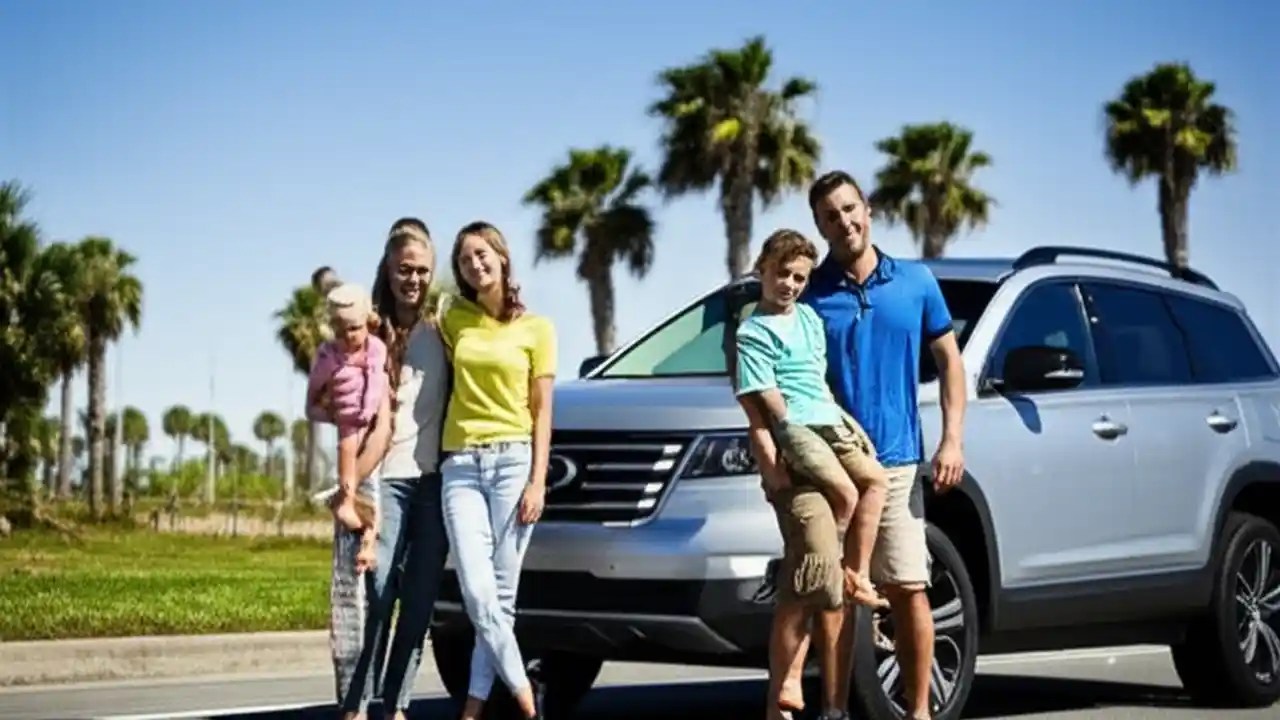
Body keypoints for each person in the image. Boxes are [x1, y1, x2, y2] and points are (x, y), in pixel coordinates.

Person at [783, 170, 968, 720]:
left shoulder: (915, 283)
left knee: (909, 587)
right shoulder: (810, 294)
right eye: (829, 217)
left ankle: (919, 712)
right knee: (833, 595)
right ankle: (834, 709)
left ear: (868, 209)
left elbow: (950, 362)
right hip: (830, 469)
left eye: (848, 209)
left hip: (897, 464)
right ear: (820, 228)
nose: (843, 222)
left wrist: (952, 440)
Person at [316, 218, 452, 720]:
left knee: (417, 605)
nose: (411, 279)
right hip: (384, 480)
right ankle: (355, 704)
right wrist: (348, 487)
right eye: (402, 270)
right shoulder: (369, 333)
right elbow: (342, 404)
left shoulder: (444, 330)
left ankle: (394, 706)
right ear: (388, 270)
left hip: (435, 481)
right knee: (374, 594)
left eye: (420, 270)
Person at [735, 229, 889, 611]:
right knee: (847, 494)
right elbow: (765, 396)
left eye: (799, 277)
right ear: (762, 271)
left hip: (830, 419)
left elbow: (816, 377)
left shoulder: (808, 318)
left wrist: (843, 422)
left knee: (875, 481)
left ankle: (858, 575)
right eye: (781, 273)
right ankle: (830, 564)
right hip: (798, 428)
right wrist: (782, 438)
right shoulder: (752, 331)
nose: (789, 284)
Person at [439, 221, 556, 720]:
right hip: (460, 463)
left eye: (482, 254)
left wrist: (538, 480)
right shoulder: (452, 320)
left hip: (514, 462)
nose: (475, 264)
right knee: (478, 591)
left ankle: (471, 710)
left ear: (502, 257)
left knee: (500, 599)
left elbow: (542, 410)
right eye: (465, 260)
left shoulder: (537, 328)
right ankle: (528, 699)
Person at [308, 283, 388, 565]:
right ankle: (344, 502)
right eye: (339, 332)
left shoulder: (375, 348)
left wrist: (367, 411)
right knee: (348, 470)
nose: (348, 338)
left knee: (373, 483)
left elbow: (376, 381)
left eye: (354, 329)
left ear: (367, 322)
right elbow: (314, 395)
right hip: (347, 425)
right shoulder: (328, 355)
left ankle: (368, 540)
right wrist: (328, 413)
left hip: (370, 423)